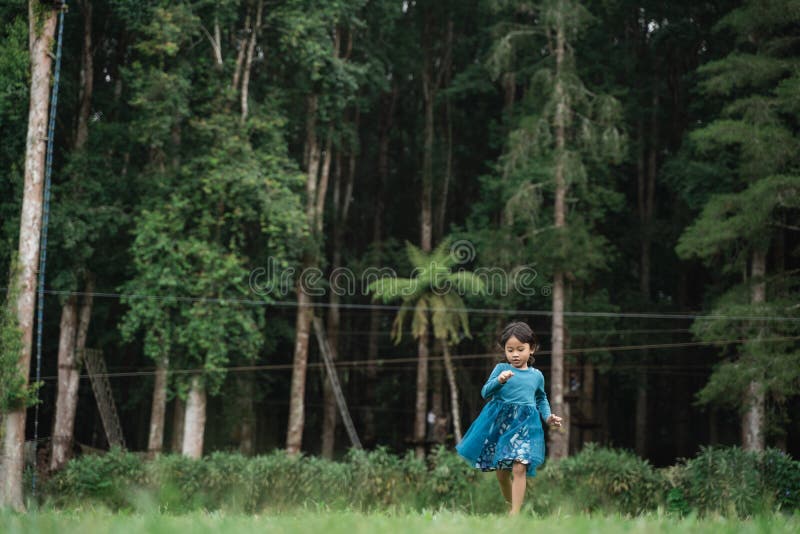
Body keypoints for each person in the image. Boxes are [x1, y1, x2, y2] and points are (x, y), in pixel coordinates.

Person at [455, 321, 563, 515]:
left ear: (532, 349)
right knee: (502, 473)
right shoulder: (500, 369)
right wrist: (500, 380)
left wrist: (548, 417)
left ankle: (515, 514)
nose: (515, 354)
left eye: (520, 349)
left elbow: (541, 398)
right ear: (504, 350)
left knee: (519, 468)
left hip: (525, 426)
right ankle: (511, 506)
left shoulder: (537, 375)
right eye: (510, 350)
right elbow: (485, 392)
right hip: (501, 425)